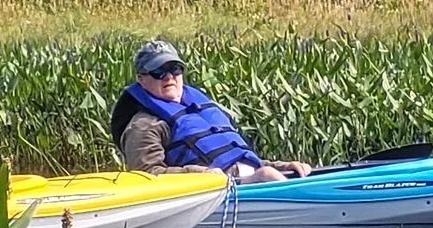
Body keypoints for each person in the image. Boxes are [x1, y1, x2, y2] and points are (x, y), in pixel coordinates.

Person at [111, 40, 311, 183]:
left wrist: (280, 166)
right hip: (211, 192)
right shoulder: (144, 126)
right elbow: (146, 175)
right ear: (141, 79)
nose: (169, 77)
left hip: (249, 178)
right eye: (158, 72)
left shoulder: (196, 109)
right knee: (267, 175)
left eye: (175, 69)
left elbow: (235, 158)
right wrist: (198, 173)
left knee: (271, 172)